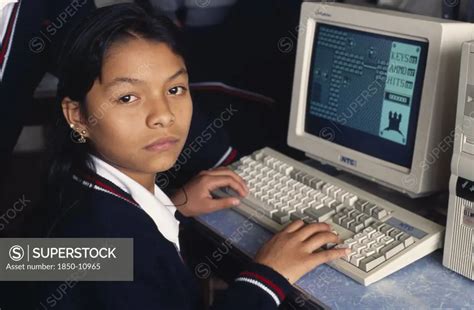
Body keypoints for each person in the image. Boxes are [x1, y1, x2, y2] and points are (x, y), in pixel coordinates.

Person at [34, 3, 349, 309]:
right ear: (76, 115)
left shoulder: (70, 186)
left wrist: (170, 205)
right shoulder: (118, 240)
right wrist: (268, 276)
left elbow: (27, 265)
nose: (163, 116)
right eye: (128, 97)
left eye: (174, 90)